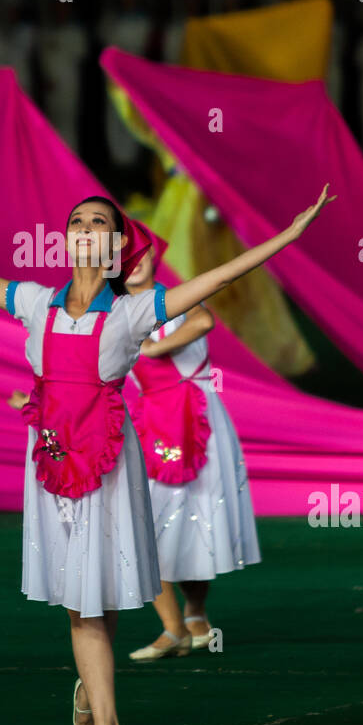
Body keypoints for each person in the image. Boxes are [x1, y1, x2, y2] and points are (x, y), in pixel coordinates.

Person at [0, 185, 334, 725]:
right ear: (67, 240)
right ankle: (102, 716)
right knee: (82, 599)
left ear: (116, 245)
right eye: (77, 222)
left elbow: (218, 279)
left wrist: (289, 235)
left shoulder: (134, 311)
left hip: (108, 464)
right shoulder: (35, 302)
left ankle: (105, 724)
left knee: (92, 596)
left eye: (99, 222)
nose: (85, 228)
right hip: (51, 456)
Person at [122, 243, 260, 661]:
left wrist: (152, 348)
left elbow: (203, 319)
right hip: (152, 422)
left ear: (153, 260)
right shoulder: (115, 317)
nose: (131, 264)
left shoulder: (178, 300)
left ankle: (195, 612)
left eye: (138, 254)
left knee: (196, 522)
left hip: (198, 419)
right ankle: (172, 629)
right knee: (145, 526)